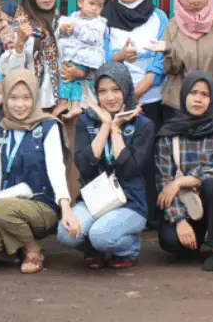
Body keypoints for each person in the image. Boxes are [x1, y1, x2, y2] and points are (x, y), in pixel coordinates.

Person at [75, 0, 167, 225]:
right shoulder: (104, 17)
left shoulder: (159, 16)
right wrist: (119, 59)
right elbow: (98, 55)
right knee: (113, 155)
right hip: (113, 99)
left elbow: (162, 55)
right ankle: (113, 211)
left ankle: (148, 214)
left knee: (146, 157)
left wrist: (141, 88)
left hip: (150, 95)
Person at [0, 69, 74, 273]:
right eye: (13, 98)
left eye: (26, 98)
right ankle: (18, 240)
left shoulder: (47, 126)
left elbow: (56, 168)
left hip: (41, 205)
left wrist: (66, 206)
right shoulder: (0, 129)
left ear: (35, 97)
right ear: (5, 98)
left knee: (0, 209)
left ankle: (32, 250)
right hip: (6, 204)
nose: (20, 104)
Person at [58, 62, 155, 269]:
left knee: (100, 235)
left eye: (115, 89)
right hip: (95, 199)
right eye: (102, 91)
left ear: (126, 89)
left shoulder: (143, 124)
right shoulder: (87, 121)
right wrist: (104, 127)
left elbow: (129, 170)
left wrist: (116, 129)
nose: (109, 97)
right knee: (66, 233)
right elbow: (84, 166)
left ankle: (128, 249)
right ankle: (94, 250)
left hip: (130, 202)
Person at [155, 72, 213, 271]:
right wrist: (179, 220)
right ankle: (199, 234)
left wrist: (182, 181)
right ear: (184, 95)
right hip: (186, 204)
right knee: (171, 242)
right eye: (193, 92)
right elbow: (164, 181)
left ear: (212, 100)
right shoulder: (169, 132)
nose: (198, 99)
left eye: (205, 94)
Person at [0, 0, 63, 114]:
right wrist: (20, 42)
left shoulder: (62, 24)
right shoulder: (18, 27)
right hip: (28, 103)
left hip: (60, 102)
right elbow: (9, 71)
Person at [54, 0, 107, 118]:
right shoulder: (73, 17)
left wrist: (76, 29)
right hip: (75, 56)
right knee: (73, 79)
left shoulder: (99, 23)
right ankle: (74, 105)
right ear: (80, 2)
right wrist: (63, 30)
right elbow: (62, 36)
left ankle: (64, 102)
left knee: (67, 77)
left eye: (99, 6)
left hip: (87, 57)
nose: (95, 8)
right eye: (91, 3)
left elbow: (93, 38)